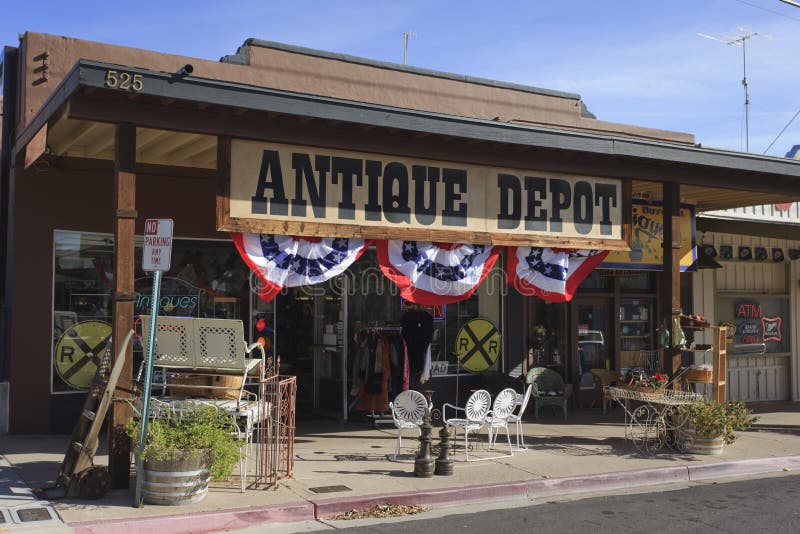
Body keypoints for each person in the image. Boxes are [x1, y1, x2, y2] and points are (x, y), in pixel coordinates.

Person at [401, 302, 433, 391]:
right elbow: (404, 334)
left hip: (421, 351)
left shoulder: (428, 318)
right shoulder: (408, 317)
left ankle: (416, 392)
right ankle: (414, 392)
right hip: (411, 351)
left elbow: (429, 335)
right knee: (412, 375)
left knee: (418, 374)